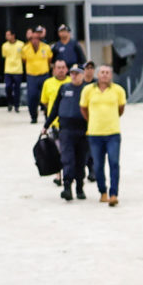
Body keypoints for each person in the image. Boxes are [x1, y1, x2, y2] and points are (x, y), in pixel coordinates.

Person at [80, 65, 126, 206]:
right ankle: (103, 192)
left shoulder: (118, 90)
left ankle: (113, 194)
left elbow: (121, 109)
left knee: (114, 163)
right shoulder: (88, 90)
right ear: (97, 74)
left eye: (107, 72)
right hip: (94, 133)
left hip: (113, 133)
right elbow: (83, 108)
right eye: (102, 72)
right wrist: (92, 120)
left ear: (111, 75)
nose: (105, 75)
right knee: (98, 165)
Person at [44, 58, 88, 201]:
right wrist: (46, 125)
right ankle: (67, 187)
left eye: (77, 73)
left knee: (80, 160)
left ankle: (80, 187)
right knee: (67, 159)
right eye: (73, 73)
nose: (74, 76)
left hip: (83, 130)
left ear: (83, 75)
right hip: (66, 130)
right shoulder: (64, 88)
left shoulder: (87, 90)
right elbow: (55, 108)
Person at [21, 27, 52, 124]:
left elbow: (49, 60)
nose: (34, 41)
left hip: (44, 75)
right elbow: (24, 60)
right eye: (32, 39)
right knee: (32, 96)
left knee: (46, 97)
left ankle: (47, 115)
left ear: (39, 39)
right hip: (31, 76)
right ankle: (33, 116)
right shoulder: (25, 48)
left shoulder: (46, 48)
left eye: (36, 38)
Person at [38, 58, 69, 132]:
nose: (61, 70)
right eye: (58, 68)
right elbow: (45, 102)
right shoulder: (47, 83)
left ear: (67, 69)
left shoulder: (71, 81)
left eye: (63, 67)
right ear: (54, 70)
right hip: (53, 123)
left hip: (68, 123)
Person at [1, 30, 23, 113]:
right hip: (8, 70)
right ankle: (10, 102)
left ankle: (17, 105)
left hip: (18, 70)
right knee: (8, 87)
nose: (7, 37)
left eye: (8, 35)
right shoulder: (4, 46)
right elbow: (4, 56)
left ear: (13, 35)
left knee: (17, 89)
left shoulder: (21, 44)